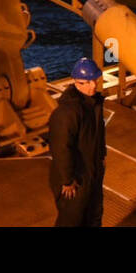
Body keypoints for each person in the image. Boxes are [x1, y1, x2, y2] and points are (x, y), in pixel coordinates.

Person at [49, 57, 106, 227]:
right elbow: (61, 148)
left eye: (94, 80)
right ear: (76, 82)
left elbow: (98, 135)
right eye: (86, 82)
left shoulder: (93, 104)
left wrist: (101, 157)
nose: (93, 86)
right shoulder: (67, 112)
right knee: (72, 220)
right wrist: (67, 180)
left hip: (92, 171)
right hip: (76, 177)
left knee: (94, 215)